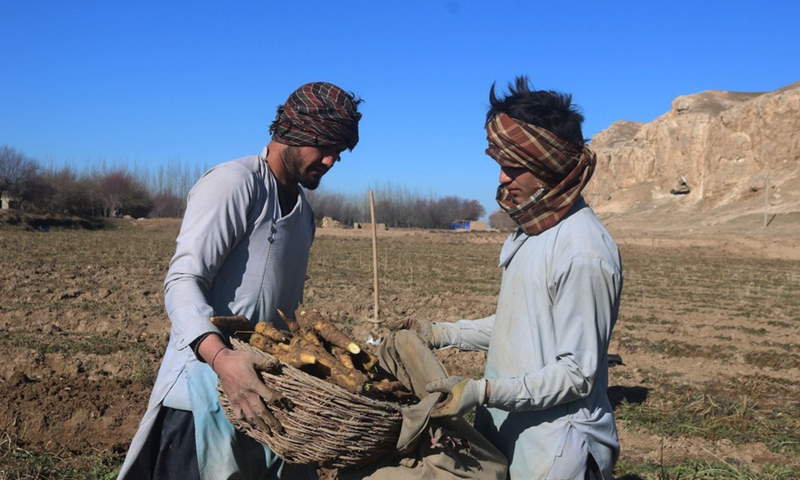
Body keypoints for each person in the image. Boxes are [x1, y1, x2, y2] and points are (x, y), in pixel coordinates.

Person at [117, 82, 363, 480]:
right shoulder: (235, 182)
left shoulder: (304, 215)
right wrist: (222, 358)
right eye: (326, 146)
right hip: (203, 394)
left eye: (341, 151)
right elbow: (183, 279)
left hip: (266, 397)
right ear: (293, 132)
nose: (332, 160)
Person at [397, 76, 623, 479]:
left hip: (557, 453)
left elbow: (577, 375)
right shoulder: (534, 230)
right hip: (515, 436)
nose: (502, 178)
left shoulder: (582, 250)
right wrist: (441, 332)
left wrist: (482, 391)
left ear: (547, 167)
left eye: (513, 168)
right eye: (501, 166)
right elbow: (522, 329)